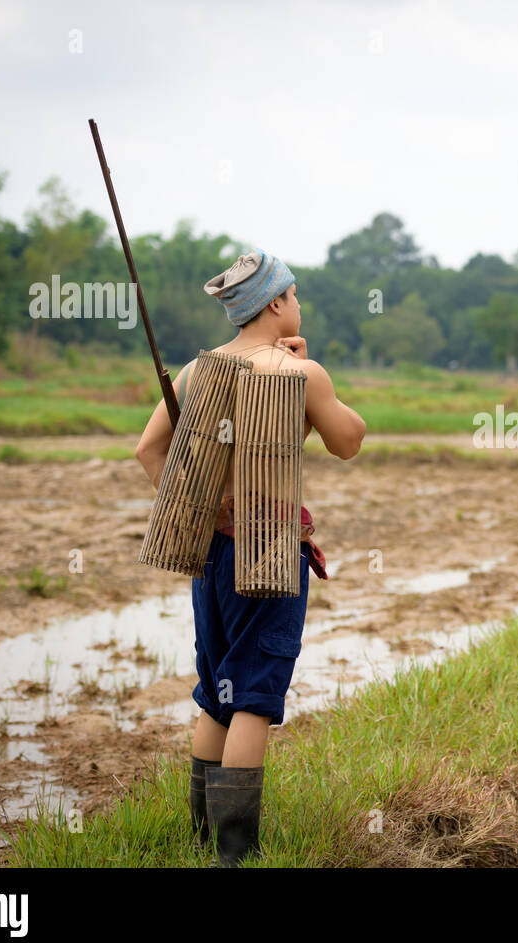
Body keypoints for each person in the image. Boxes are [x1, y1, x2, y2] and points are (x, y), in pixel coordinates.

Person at [134, 249, 366, 865]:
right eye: (294, 295)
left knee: (218, 687)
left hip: (211, 554)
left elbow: (148, 450)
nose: (298, 304)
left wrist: (209, 510)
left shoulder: (195, 371)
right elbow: (349, 441)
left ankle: (202, 838)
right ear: (275, 304)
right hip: (269, 556)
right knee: (255, 698)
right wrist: (315, 372)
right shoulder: (299, 374)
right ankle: (234, 856)